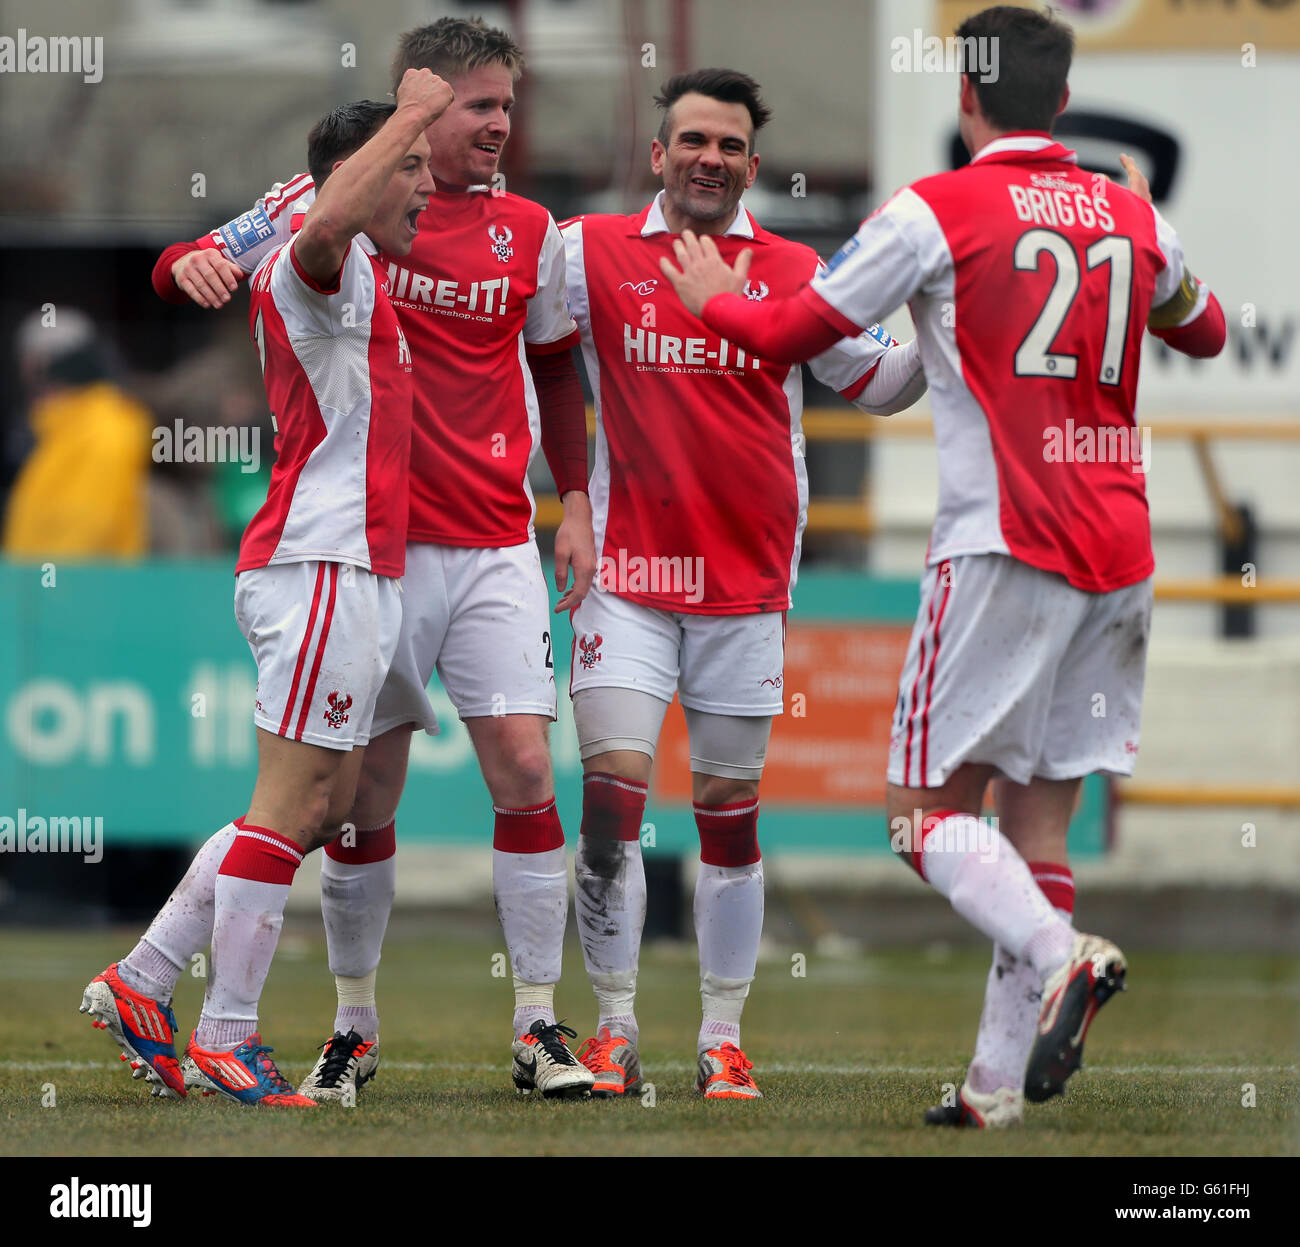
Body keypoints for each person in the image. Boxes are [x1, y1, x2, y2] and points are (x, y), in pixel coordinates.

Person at [660, 4, 1226, 1127]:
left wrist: (712, 297)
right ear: (1060, 100)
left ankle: (1062, 954)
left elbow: (792, 334)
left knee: (920, 816)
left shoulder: (937, 208)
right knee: (1038, 826)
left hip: (1004, 541)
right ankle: (992, 1086)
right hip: (1118, 550)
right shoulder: (1126, 208)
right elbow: (1204, 331)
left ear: (964, 98)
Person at [148, 16, 597, 1101]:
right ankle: (349, 1022)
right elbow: (189, 262)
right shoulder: (343, 204)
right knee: (351, 799)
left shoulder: (528, 229)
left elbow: (555, 367)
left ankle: (538, 1021)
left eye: (506, 104)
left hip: (488, 538)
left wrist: (574, 497)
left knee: (529, 769)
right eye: (479, 104)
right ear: (424, 106)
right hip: (366, 549)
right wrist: (193, 263)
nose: (499, 124)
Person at [80, 72, 451, 1106]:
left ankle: (146, 979)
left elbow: (227, 240)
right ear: (359, 173)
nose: (428, 186)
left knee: (314, 807)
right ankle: (226, 1033)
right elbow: (315, 219)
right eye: (412, 166)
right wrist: (414, 114)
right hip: (318, 561)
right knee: (292, 804)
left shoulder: (326, 233)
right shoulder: (318, 258)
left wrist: (187, 259)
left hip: (349, 564)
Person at [559, 68, 926, 1099]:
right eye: (692, 141)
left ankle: (721, 1034)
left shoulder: (799, 269)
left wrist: (959, 313)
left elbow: (886, 383)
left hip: (745, 580)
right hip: (627, 573)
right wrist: (567, 494)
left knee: (727, 807)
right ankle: (614, 1027)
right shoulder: (587, 252)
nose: (708, 159)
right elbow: (524, 342)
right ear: (658, 154)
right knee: (610, 801)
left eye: (728, 146)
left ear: (751, 167)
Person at [4, 309, 151, 558]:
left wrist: (46, 593)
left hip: (78, 593)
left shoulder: (105, 429)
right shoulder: (60, 432)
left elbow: (86, 534)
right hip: (36, 591)